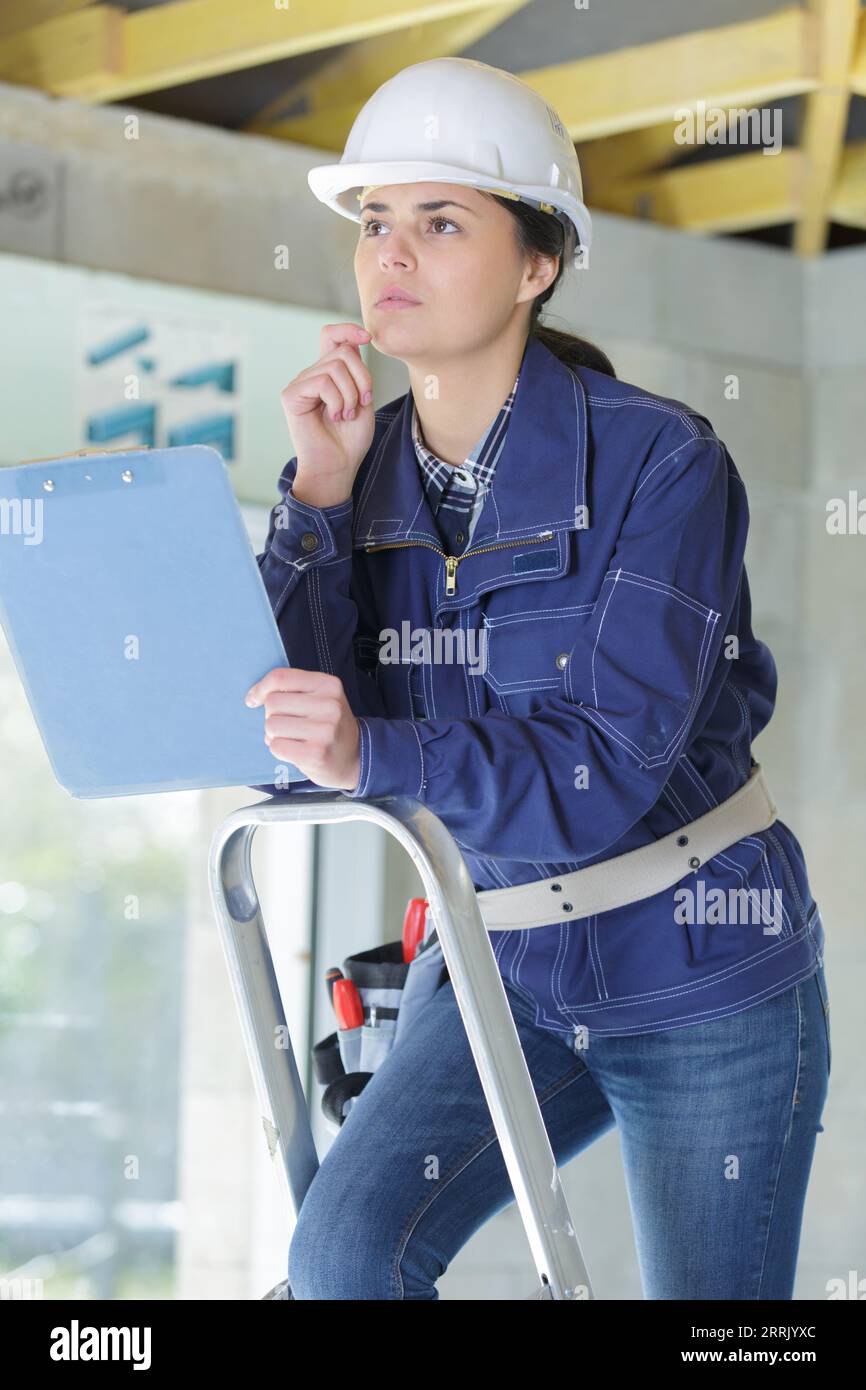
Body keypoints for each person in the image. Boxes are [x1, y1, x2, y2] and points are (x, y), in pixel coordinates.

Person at [245, 58, 830, 1300]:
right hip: (501, 959)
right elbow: (288, 726)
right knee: (342, 1257)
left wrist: (376, 755)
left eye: (440, 221)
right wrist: (317, 500)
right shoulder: (355, 470)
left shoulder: (661, 463)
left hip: (699, 969)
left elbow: (606, 760)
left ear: (535, 264)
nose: (389, 254)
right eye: (374, 222)